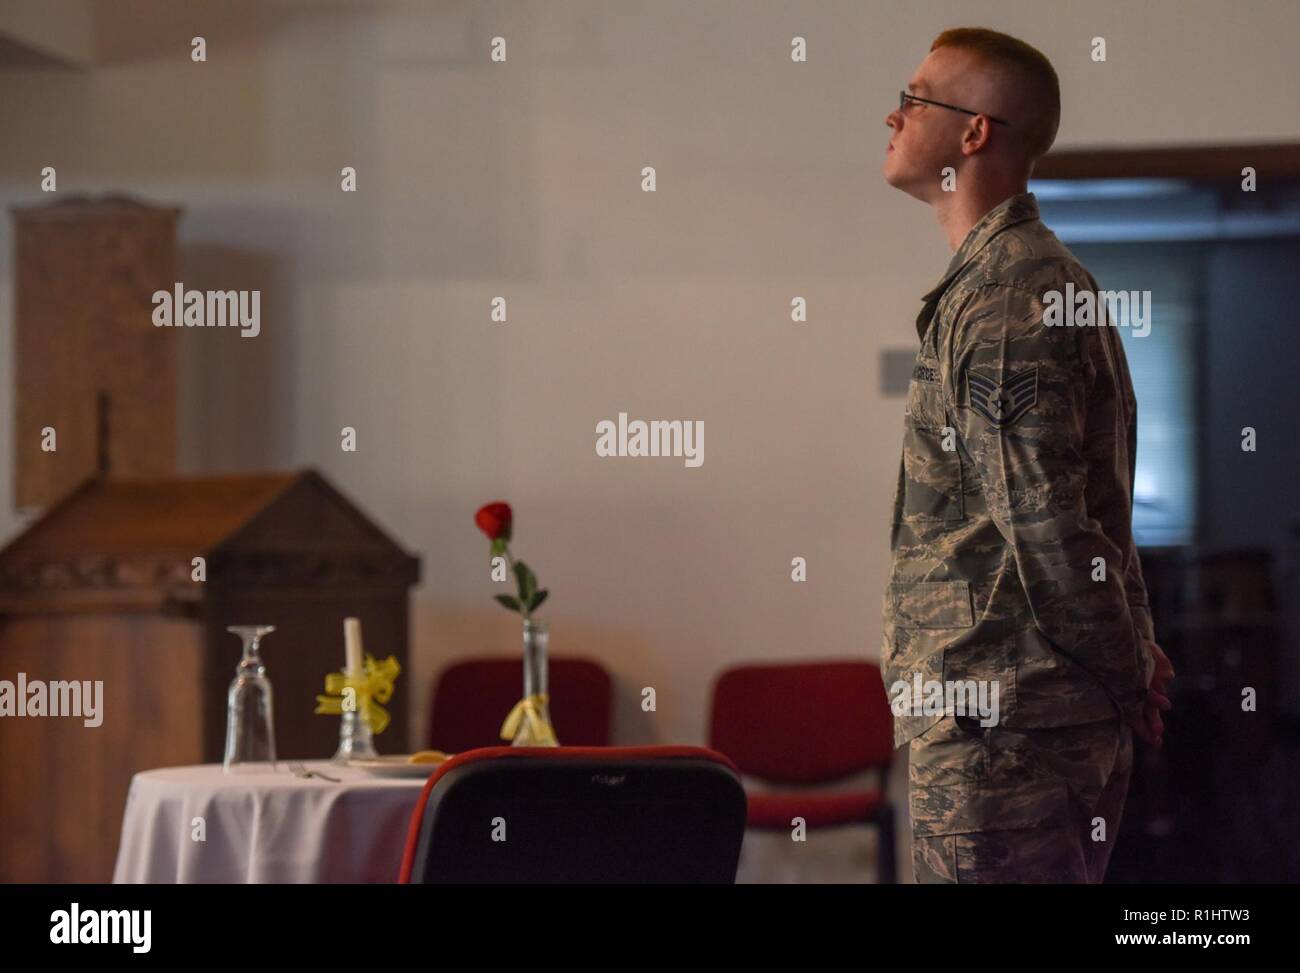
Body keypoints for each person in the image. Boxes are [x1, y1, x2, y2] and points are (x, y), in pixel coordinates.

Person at [879, 27, 1175, 883]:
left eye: (916, 97)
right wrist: (1136, 657)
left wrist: (1128, 671)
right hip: (1010, 719)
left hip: (1005, 727)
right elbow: (1088, 511)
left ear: (974, 132)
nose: (891, 115)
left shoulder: (1012, 292)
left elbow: (1049, 529)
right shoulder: (1006, 281)